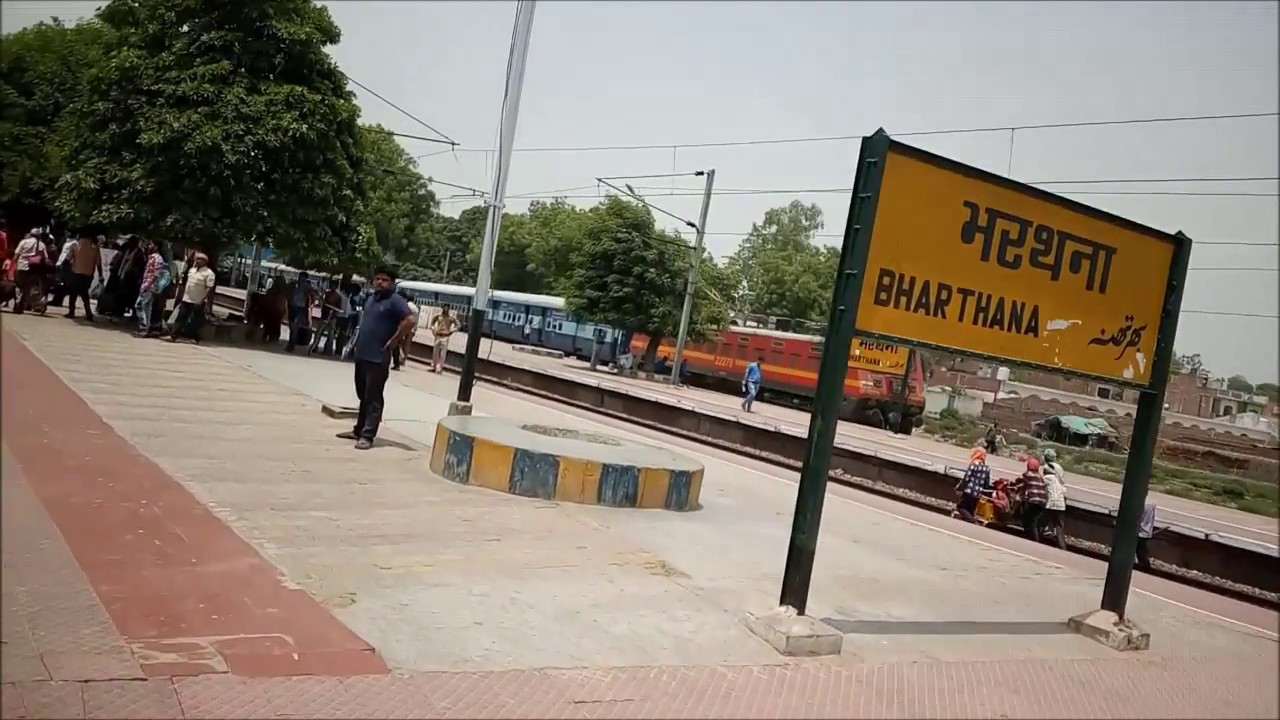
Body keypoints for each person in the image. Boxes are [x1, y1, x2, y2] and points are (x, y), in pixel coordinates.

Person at [336, 268, 414, 449]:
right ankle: (358, 430)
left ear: (392, 282)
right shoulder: (372, 298)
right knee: (362, 395)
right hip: (362, 354)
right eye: (377, 279)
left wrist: (394, 340)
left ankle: (368, 435)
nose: (380, 282)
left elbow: (409, 320)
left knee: (373, 397)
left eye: (384, 280)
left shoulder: (395, 301)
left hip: (378, 358)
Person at [167, 252, 216, 343]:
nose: (196, 261)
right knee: (181, 317)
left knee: (195, 320)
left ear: (204, 261)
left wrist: (203, 300)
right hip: (187, 299)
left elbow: (209, 289)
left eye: (199, 259)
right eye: (196, 259)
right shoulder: (192, 270)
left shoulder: (209, 273)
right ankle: (173, 335)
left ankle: (195, 337)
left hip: (198, 301)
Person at [66, 230, 104, 321]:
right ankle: (88, 313)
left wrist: (66, 271)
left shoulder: (75, 245)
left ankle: (71, 312)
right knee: (84, 294)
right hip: (88, 274)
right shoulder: (95, 247)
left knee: (73, 293)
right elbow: (98, 264)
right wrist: (100, 276)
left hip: (75, 273)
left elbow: (68, 259)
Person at [134, 240, 169, 337]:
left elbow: (156, 274)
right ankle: (145, 330)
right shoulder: (152, 257)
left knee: (139, 305)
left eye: (151, 244)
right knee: (147, 308)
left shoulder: (157, 258)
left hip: (149, 286)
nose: (148, 246)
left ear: (156, 246)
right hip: (148, 285)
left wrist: (148, 285)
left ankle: (143, 328)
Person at [11, 229, 51, 314]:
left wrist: (12, 265)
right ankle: (24, 303)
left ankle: (18, 303)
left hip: (22, 266)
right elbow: (45, 258)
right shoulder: (41, 244)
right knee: (28, 287)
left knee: (19, 285)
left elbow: (17, 254)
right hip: (34, 268)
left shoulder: (24, 242)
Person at [1013, 457, 1049, 543]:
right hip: (1043, 501)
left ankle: (1034, 540)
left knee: (1030, 520)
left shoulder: (1027, 474)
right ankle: (1032, 536)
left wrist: (1015, 487)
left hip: (1033, 500)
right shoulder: (1040, 476)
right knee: (1034, 520)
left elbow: (1018, 481)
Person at [953, 447, 991, 523]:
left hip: (969, 491)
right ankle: (968, 522)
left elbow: (967, 478)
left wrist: (960, 488)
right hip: (978, 493)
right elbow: (986, 483)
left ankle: (973, 521)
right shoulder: (987, 468)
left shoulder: (973, 465)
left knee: (960, 507)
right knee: (970, 510)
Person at [285, 271, 315, 352]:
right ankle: (291, 344)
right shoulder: (296, 284)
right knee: (293, 326)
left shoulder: (303, 285)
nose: (300, 278)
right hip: (296, 307)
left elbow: (313, 294)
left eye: (302, 277)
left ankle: (291, 344)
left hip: (298, 308)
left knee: (294, 327)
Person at [1042, 461, 1068, 549]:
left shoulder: (1046, 478)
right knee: (1059, 526)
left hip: (1052, 504)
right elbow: (1064, 490)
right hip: (1061, 505)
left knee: (1043, 520)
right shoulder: (1057, 479)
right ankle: (1062, 545)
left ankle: (1043, 535)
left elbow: (1041, 486)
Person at [392, 289, 419, 370]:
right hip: (412, 328)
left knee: (398, 344)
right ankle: (402, 359)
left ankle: (400, 358)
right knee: (406, 344)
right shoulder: (416, 308)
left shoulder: (406, 306)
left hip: (404, 327)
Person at [429, 306, 457, 373]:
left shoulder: (450, 318)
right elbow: (433, 321)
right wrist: (433, 328)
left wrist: (453, 330)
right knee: (435, 352)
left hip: (445, 336)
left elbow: (458, 324)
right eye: (444, 308)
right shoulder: (439, 316)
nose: (445, 309)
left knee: (442, 354)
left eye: (447, 308)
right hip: (438, 335)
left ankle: (439, 368)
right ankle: (434, 366)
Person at [1136, 503, 1157, 571]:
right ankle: (1145, 566)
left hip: (1141, 531)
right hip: (1146, 530)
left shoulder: (1142, 504)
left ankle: (1145, 566)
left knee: (1140, 550)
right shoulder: (1151, 504)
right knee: (1141, 549)